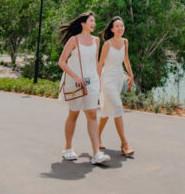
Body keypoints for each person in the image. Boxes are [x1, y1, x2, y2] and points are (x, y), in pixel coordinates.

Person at [57, 11, 110, 165]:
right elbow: (62, 61)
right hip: (75, 82)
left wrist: (98, 81)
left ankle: (96, 153)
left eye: (94, 21)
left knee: (92, 115)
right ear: (83, 23)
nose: (94, 24)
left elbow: (95, 62)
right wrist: (75, 77)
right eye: (91, 21)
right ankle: (67, 148)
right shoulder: (74, 40)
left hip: (92, 81)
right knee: (73, 115)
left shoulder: (96, 40)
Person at [97, 16, 135, 156]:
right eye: (117, 26)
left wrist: (131, 76)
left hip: (119, 78)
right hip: (107, 79)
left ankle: (96, 137)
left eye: (122, 25)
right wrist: (97, 82)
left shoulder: (125, 42)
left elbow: (126, 60)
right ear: (112, 29)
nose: (120, 28)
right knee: (118, 107)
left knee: (106, 111)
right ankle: (124, 144)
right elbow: (100, 64)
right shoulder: (107, 44)